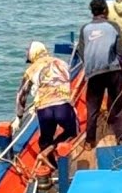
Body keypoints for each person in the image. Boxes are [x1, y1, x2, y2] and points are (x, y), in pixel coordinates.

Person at [15, 40, 78, 175]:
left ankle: (53, 167)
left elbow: (22, 95)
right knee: (72, 131)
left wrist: (19, 117)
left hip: (44, 110)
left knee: (44, 140)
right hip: (63, 106)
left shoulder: (30, 70)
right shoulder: (62, 63)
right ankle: (48, 152)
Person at [79, 0, 122, 147]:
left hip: (93, 73)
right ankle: (121, 137)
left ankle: (89, 141)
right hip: (112, 70)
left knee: (92, 107)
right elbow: (120, 52)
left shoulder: (85, 29)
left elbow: (82, 53)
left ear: (92, 12)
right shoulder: (113, 26)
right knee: (119, 104)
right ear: (105, 11)